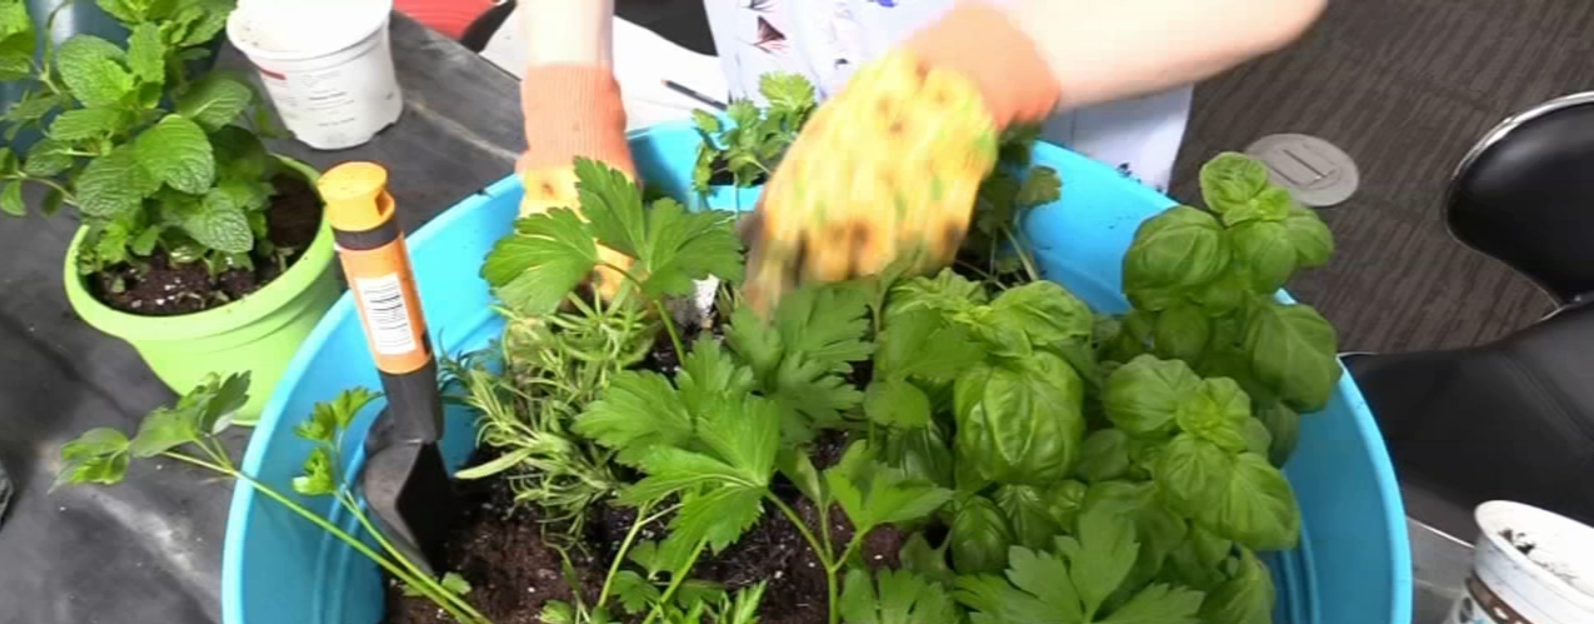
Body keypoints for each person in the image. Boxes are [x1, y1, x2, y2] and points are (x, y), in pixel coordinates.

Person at [397, 0, 1328, 310]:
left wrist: (987, 69)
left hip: (1073, 105)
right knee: (791, 312)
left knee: (1036, 300)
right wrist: (570, 108)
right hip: (792, 85)